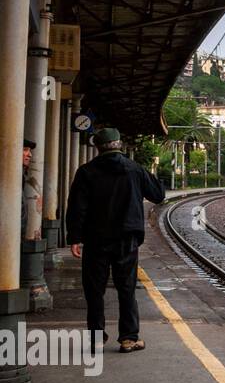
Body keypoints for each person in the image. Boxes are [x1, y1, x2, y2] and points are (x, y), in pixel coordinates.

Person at [65, 128, 166, 353]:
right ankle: (129, 338)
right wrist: (149, 172)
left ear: (98, 147)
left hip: (95, 240)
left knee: (94, 290)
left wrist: (74, 238)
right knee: (127, 288)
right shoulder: (134, 169)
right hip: (126, 239)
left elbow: (76, 208)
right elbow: (158, 195)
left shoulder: (86, 171)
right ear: (119, 144)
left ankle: (96, 338)